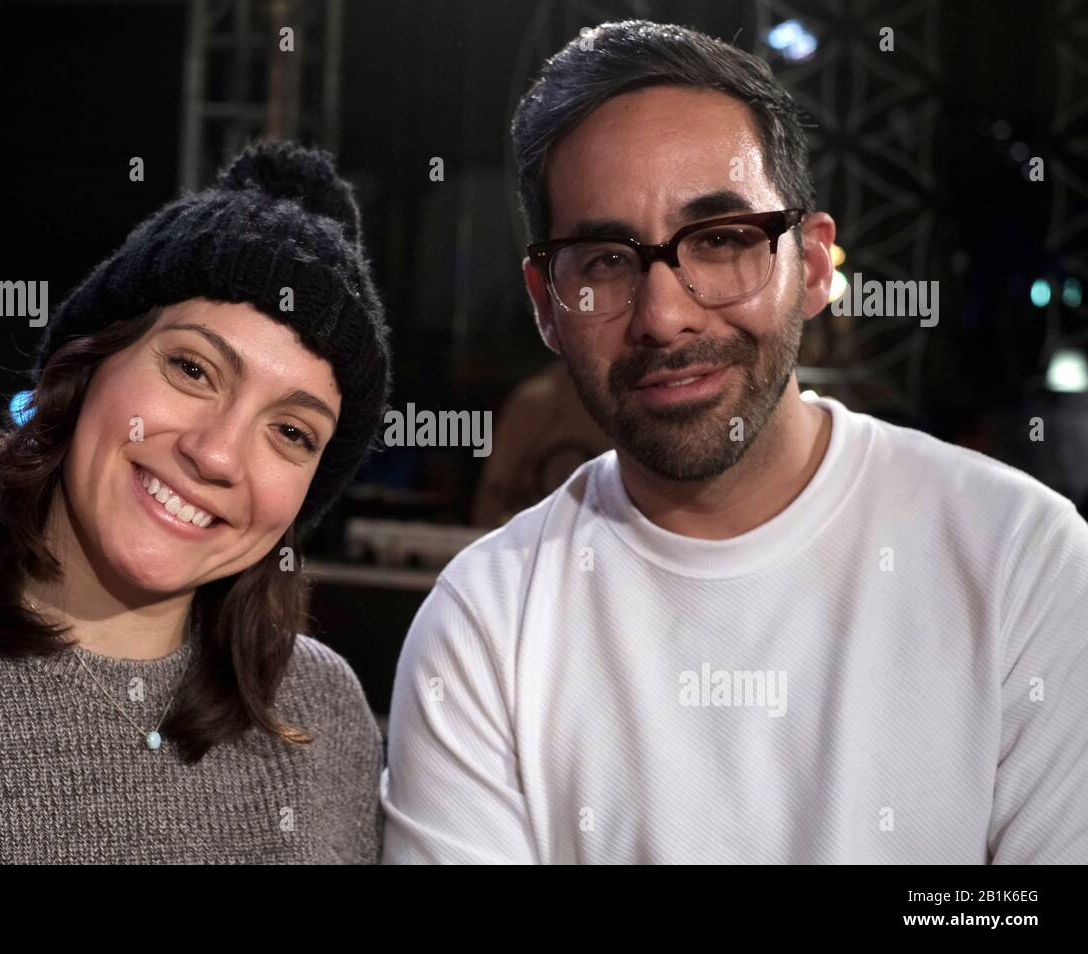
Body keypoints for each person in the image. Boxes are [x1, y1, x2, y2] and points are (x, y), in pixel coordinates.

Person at [381, 21, 1088, 863]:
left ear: (817, 265)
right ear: (545, 300)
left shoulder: (1020, 559)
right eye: (605, 261)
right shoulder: (484, 622)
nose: (664, 315)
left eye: (720, 242)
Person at [0, 139, 392, 864]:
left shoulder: (325, 713)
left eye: (291, 431)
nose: (218, 453)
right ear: (85, 367)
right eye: (193, 369)